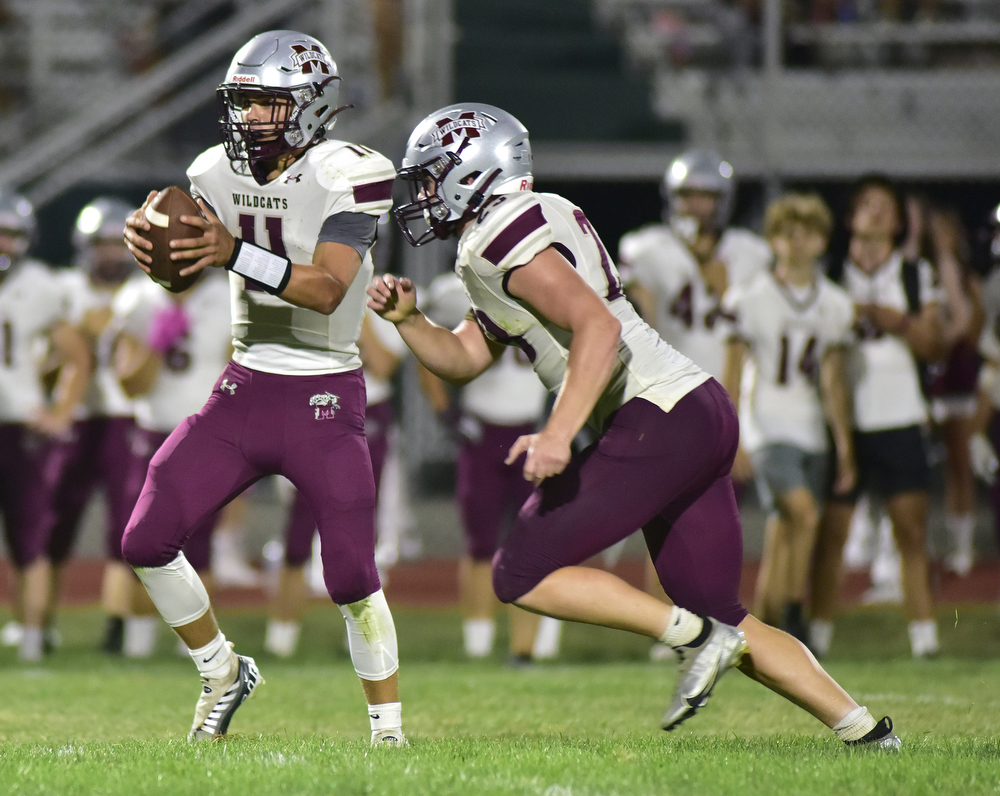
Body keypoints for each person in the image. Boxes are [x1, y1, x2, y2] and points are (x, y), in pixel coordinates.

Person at [369, 102, 899, 747]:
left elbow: (598, 327)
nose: (422, 196)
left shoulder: (498, 231)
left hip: (655, 416)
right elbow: (467, 358)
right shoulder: (520, 228)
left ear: (472, 171)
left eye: (430, 178)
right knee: (724, 612)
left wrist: (560, 432)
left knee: (520, 573)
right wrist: (410, 322)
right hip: (693, 407)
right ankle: (866, 732)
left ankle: (694, 637)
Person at [122, 30, 404, 745]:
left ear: (309, 108)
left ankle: (388, 732)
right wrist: (157, 251)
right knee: (146, 536)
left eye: (264, 104)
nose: (247, 118)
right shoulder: (214, 171)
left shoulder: (351, 172)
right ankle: (221, 671)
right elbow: (187, 265)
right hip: (245, 386)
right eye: (241, 102)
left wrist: (231, 251)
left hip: (325, 394)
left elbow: (328, 287)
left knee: (348, 573)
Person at [617, 149, 772, 658]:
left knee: (720, 521)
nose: (697, 205)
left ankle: (721, 618)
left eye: (706, 195)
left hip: (729, 394)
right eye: (689, 194)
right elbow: (638, 310)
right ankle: (669, 628)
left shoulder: (751, 252)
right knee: (659, 514)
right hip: (669, 393)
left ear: (723, 202)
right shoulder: (650, 247)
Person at [809, 175, 947, 659]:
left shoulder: (913, 274)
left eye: (887, 205)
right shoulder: (828, 273)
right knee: (833, 535)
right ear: (850, 217)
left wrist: (899, 321)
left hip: (900, 417)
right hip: (844, 422)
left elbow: (936, 346)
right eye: (867, 202)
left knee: (910, 530)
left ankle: (925, 640)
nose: (877, 212)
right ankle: (817, 638)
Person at [721, 193, 856, 644]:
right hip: (767, 426)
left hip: (812, 428)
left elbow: (834, 381)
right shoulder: (749, 297)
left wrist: (845, 446)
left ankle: (762, 626)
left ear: (822, 240)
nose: (797, 243)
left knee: (785, 529)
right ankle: (794, 612)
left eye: (807, 233)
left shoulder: (836, 303)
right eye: (787, 233)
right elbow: (734, 372)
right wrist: (734, 435)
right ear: (773, 239)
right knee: (805, 513)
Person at [420, 269, 561, 664]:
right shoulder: (452, 291)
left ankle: (532, 647)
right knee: (480, 543)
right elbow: (424, 352)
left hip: (532, 433)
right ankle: (479, 646)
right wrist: (445, 413)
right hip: (481, 433)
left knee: (536, 544)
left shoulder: (545, 284)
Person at [265, 307, 411, 659]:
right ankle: (280, 639)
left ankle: (365, 643)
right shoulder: (305, 290)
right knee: (298, 531)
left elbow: (385, 365)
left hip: (364, 409)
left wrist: (354, 318)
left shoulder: (377, 298)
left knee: (357, 534)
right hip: (313, 409)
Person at [109, 268, 234, 657]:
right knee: (142, 542)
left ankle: (203, 651)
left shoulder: (228, 295)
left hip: (206, 434)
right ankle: (138, 643)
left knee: (200, 544)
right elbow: (129, 385)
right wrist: (155, 344)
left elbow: (243, 374)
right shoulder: (138, 296)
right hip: (153, 432)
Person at [44, 196, 144, 655]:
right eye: (101, 243)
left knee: (125, 528)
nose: (111, 253)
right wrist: (78, 337)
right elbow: (40, 364)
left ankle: (117, 625)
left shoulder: (146, 290)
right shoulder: (63, 289)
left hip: (128, 413)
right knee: (54, 521)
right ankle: (39, 621)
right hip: (78, 416)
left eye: (117, 242)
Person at [0, 187, 92, 662]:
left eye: (10, 235)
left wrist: (60, 411)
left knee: (30, 539)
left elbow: (78, 356)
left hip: (19, 427)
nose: (2, 245)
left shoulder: (39, 284)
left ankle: (33, 640)